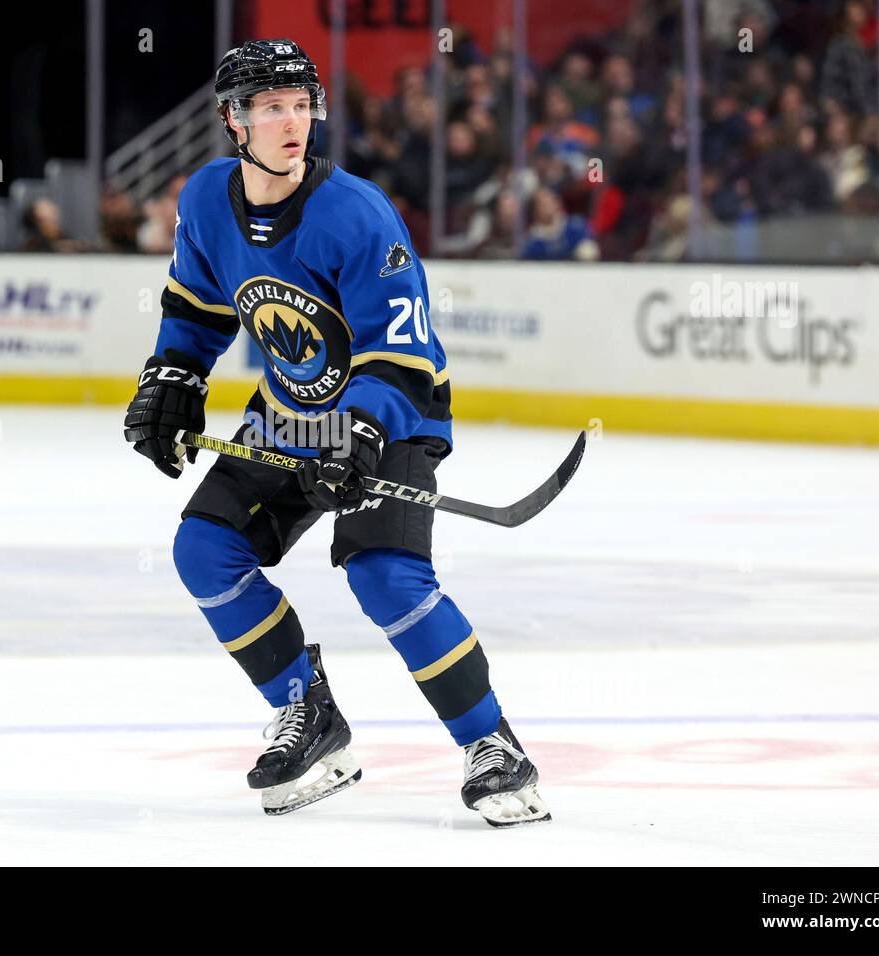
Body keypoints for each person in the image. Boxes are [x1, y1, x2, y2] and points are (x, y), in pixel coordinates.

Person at [122, 38, 550, 827]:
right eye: (271, 108)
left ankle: (493, 745)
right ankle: (306, 712)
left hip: (394, 414)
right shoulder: (206, 199)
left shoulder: (355, 212)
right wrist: (173, 378)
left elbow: (402, 355)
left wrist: (356, 436)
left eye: (300, 105)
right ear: (233, 121)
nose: (292, 122)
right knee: (203, 549)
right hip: (289, 412)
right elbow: (195, 308)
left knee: (383, 572)